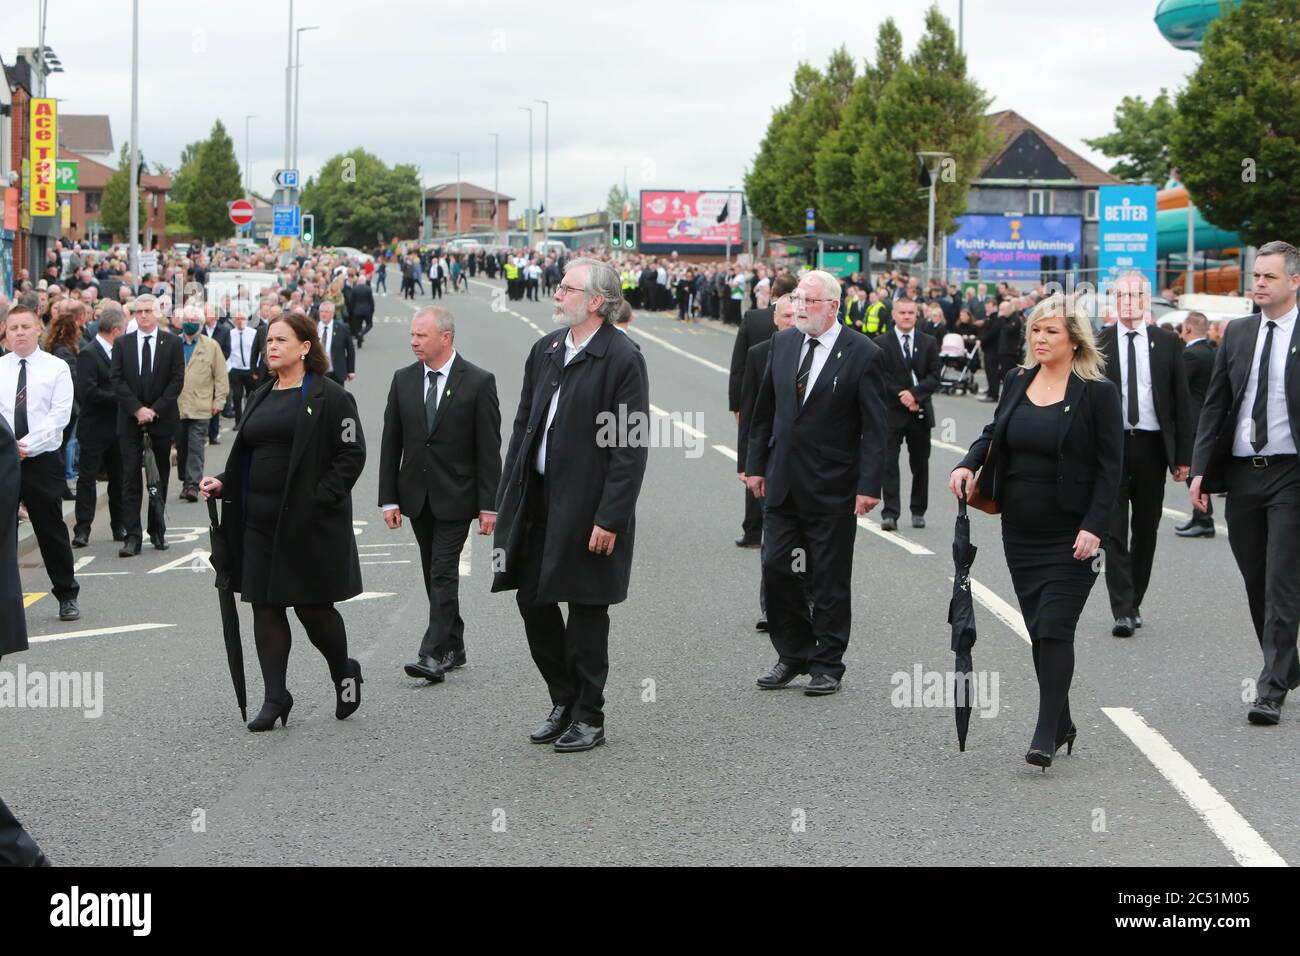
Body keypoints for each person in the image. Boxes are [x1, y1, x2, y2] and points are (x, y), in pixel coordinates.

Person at [949, 294, 1122, 769]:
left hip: (1072, 532)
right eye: (1036, 331)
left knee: (1054, 626)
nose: (1041, 339)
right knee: (1037, 630)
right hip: (1020, 528)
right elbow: (993, 433)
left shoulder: (1098, 393)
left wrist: (1095, 528)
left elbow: (1112, 468)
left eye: (1051, 332)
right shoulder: (1016, 380)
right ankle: (1062, 719)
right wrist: (967, 464)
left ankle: (1045, 732)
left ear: (1074, 340)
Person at [491, 258, 649, 752]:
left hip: (587, 506)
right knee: (531, 599)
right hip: (536, 500)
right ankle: (563, 698)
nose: (556, 295)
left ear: (596, 301)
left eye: (566, 288)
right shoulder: (546, 350)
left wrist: (610, 517)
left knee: (585, 609)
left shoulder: (621, 357)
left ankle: (589, 715)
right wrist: (504, 499)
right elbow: (522, 428)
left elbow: (630, 447)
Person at [199, 311, 367, 733]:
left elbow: (352, 455)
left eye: (280, 340)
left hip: (307, 524)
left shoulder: (331, 397)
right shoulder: (261, 392)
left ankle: (343, 668)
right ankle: (276, 696)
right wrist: (222, 482)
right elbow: (249, 453)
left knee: (313, 608)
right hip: (258, 522)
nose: (270, 346)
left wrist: (320, 498)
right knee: (266, 605)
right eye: (268, 340)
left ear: (305, 347)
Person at [745, 270, 888, 696]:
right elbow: (763, 412)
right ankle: (792, 653)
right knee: (776, 569)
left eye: (809, 301)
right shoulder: (784, 343)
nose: (800, 308)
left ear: (832, 306)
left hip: (833, 485)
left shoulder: (862, 352)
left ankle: (828, 663)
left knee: (827, 577)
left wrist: (869, 486)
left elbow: (876, 428)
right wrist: (755, 466)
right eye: (797, 300)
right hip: (782, 479)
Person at [1190, 241, 1300, 726]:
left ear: (1294, 282)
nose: (1258, 284)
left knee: (1281, 580)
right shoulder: (1236, 332)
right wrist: (1198, 470)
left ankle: (1270, 689)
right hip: (1241, 474)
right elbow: (1215, 404)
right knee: (1255, 579)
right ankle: (1287, 663)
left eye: (1269, 277)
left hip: (1291, 474)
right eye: (1256, 276)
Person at [380, 307, 502, 682]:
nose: (414, 341)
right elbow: (391, 442)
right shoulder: (403, 380)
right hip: (416, 496)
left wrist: (489, 506)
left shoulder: (478, 381)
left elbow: (489, 448)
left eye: (421, 335)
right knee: (433, 572)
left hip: (457, 496)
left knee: (443, 573)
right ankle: (455, 644)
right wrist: (389, 498)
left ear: (445, 338)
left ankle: (432, 654)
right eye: (412, 336)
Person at [1095, 273, 1193, 637]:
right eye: (1123, 295)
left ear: (1147, 299)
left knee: (1147, 528)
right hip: (1112, 446)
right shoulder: (1099, 342)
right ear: (1113, 300)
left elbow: (1181, 401)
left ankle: (1135, 598)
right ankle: (1122, 609)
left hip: (1152, 446)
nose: (1130, 301)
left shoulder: (1167, 342)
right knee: (1113, 529)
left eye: (1137, 295)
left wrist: (1183, 456)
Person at [0, 307, 80, 621]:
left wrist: (24, 446)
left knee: (50, 528)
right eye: (13, 327)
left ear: (38, 330)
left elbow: (59, 416)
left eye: (25, 326)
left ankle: (67, 593)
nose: (19, 332)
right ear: (5, 331)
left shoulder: (55, 368)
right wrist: (7, 447)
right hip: (3, 459)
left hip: (41, 459)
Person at [737, 293, 797, 632]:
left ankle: (808, 602)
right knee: (772, 543)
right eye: (785, 316)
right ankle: (770, 607)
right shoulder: (759, 355)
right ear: (775, 319)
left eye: (795, 316)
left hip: (807, 466)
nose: (790, 321)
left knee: (805, 542)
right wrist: (746, 463)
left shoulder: (814, 355)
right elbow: (751, 416)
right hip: (770, 463)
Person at [728, 273, 799, 548]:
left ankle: (753, 530)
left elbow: (737, 369)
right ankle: (759, 531)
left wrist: (735, 405)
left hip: (774, 415)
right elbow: (743, 365)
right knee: (758, 467)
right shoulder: (761, 346)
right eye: (787, 317)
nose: (792, 322)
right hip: (760, 407)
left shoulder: (753, 317)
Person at [110, 294, 185, 555]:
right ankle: (132, 537)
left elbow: (176, 381)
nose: (143, 315)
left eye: (147, 311)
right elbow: (117, 380)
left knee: (160, 478)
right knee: (130, 479)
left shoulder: (172, 343)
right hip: (130, 421)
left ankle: (157, 530)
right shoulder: (122, 344)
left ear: (157, 313)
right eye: (138, 311)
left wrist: (154, 410)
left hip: (161, 420)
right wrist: (137, 409)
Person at [875, 297, 941, 531]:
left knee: (920, 464)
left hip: (920, 412)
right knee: (889, 464)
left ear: (916, 315)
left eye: (911, 313)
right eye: (902, 313)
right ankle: (890, 513)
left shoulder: (929, 342)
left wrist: (915, 395)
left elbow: (935, 376)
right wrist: (903, 396)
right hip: (892, 413)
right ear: (893, 315)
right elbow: (880, 376)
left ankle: (918, 510)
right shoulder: (881, 343)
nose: (906, 317)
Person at [72, 303, 127, 547]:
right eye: (123, 329)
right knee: (87, 480)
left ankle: (119, 526)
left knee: (119, 478)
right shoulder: (89, 353)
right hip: (94, 428)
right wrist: (122, 397)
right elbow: (87, 391)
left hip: (117, 428)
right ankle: (82, 529)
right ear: (115, 330)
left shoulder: (121, 352)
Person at [174, 305, 229, 503]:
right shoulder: (173, 344)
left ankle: (192, 485)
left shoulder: (211, 346)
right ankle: (184, 479)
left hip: (201, 404)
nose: (190, 324)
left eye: (194, 321)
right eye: (186, 320)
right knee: (181, 447)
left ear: (201, 324)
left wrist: (219, 400)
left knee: (196, 446)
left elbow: (221, 376)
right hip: (177, 405)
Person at [1176, 311, 1217, 538]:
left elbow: (1179, 386)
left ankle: (1204, 518)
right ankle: (1199, 516)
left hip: (1192, 420)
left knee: (1194, 473)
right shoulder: (1210, 351)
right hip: (1204, 417)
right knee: (1196, 471)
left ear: (1188, 328)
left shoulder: (1191, 354)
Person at [226, 308, 259, 426]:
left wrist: (256, 368)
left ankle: (250, 421)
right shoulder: (229, 334)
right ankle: (238, 422)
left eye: (243, 319)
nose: (240, 321)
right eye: (238, 319)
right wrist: (229, 368)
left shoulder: (253, 333)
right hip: (236, 369)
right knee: (237, 396)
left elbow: (258, 351)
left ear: (247, 320)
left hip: (250, 370)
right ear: (234, 320)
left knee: (251, 396)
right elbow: (227, 352)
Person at [316, 300, 356, 388]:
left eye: (326, 312)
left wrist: (351, 370)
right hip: (317, 373)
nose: (323, 314)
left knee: (337, 400)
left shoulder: (342, 328)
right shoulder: (313, 328)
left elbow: (350, 350)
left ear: (332, 313)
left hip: (336, 373)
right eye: (321, 311)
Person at [348, 275, 375, 348]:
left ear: (358, 281)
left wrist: (350, 311)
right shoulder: (368, 289)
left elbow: (351, 301)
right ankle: (362, 333)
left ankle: (359, 340)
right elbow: (371, 301)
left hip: (356, 310)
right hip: (366, 310)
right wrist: (372, 310)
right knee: (369, 324)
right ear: (364, 281)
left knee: (358, 326)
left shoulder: (354, 289)